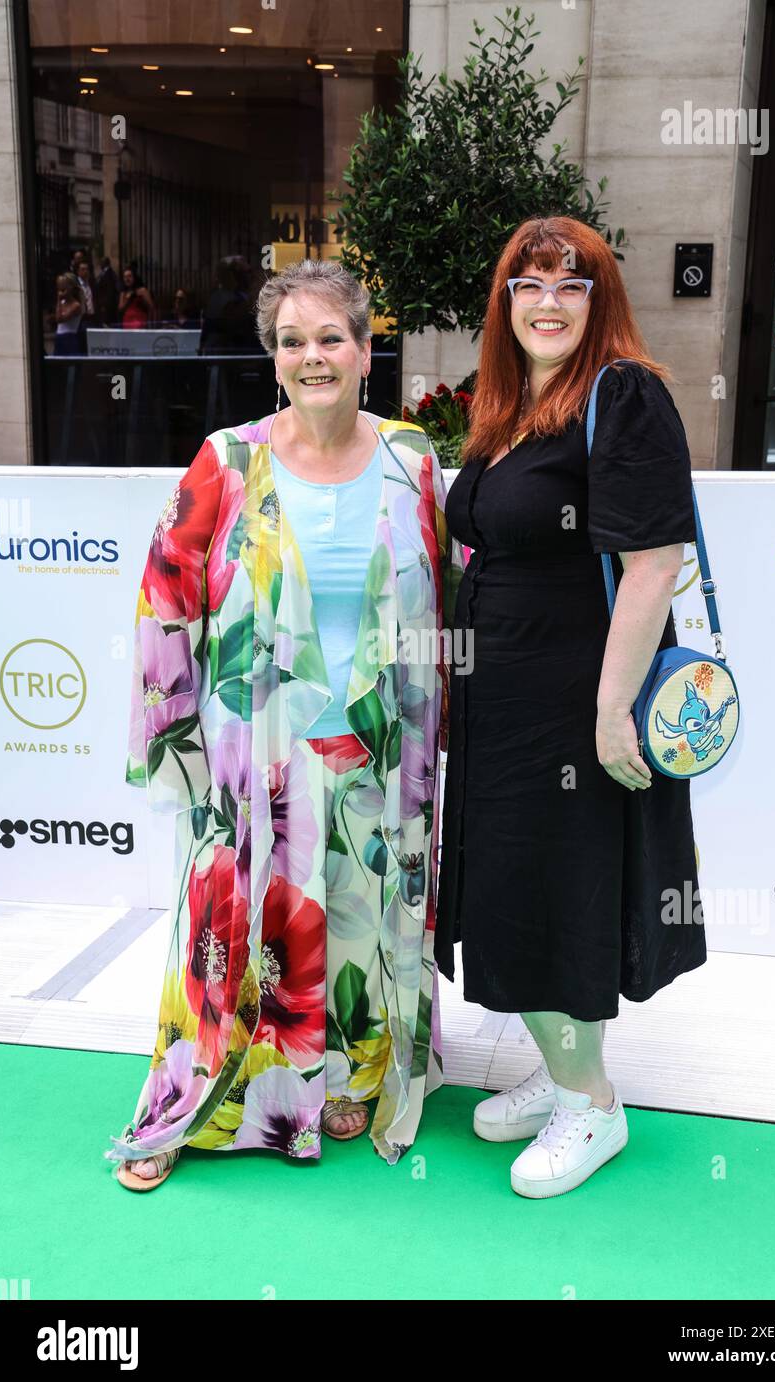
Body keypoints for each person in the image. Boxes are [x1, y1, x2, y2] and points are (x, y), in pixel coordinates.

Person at [105, 258, 463, 1190]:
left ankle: (356, 1071)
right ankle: (189, 1105)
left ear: (366, 348)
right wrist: (176, 745)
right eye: (293, 341)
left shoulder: (411, 457)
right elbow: (163, 597)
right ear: (273, 359)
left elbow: (450, 594)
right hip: (253, 750)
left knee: (359, 912)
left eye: (331, 338)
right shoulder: (229, 459)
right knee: (233, 923)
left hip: (381, 742)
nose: (314, 357)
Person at [435, 214, 708, 1200]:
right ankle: (560, 1076)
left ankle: (588, 1102)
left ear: (600, 302)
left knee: (552, 892)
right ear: (502, 303)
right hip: (504, 699)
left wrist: (607, 711)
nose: (547, 302)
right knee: (517, 888)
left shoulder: (621, 393)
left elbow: (651, 564)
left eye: (570, 283)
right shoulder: (513, 409)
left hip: (570, 703)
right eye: (527, 283)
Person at [52, 273, 85, 355]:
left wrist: (59, 299)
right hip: (59, 337)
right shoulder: (62, 302)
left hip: (69, 338)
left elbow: (60, 319)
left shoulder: (76, 305)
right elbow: (57, 317)